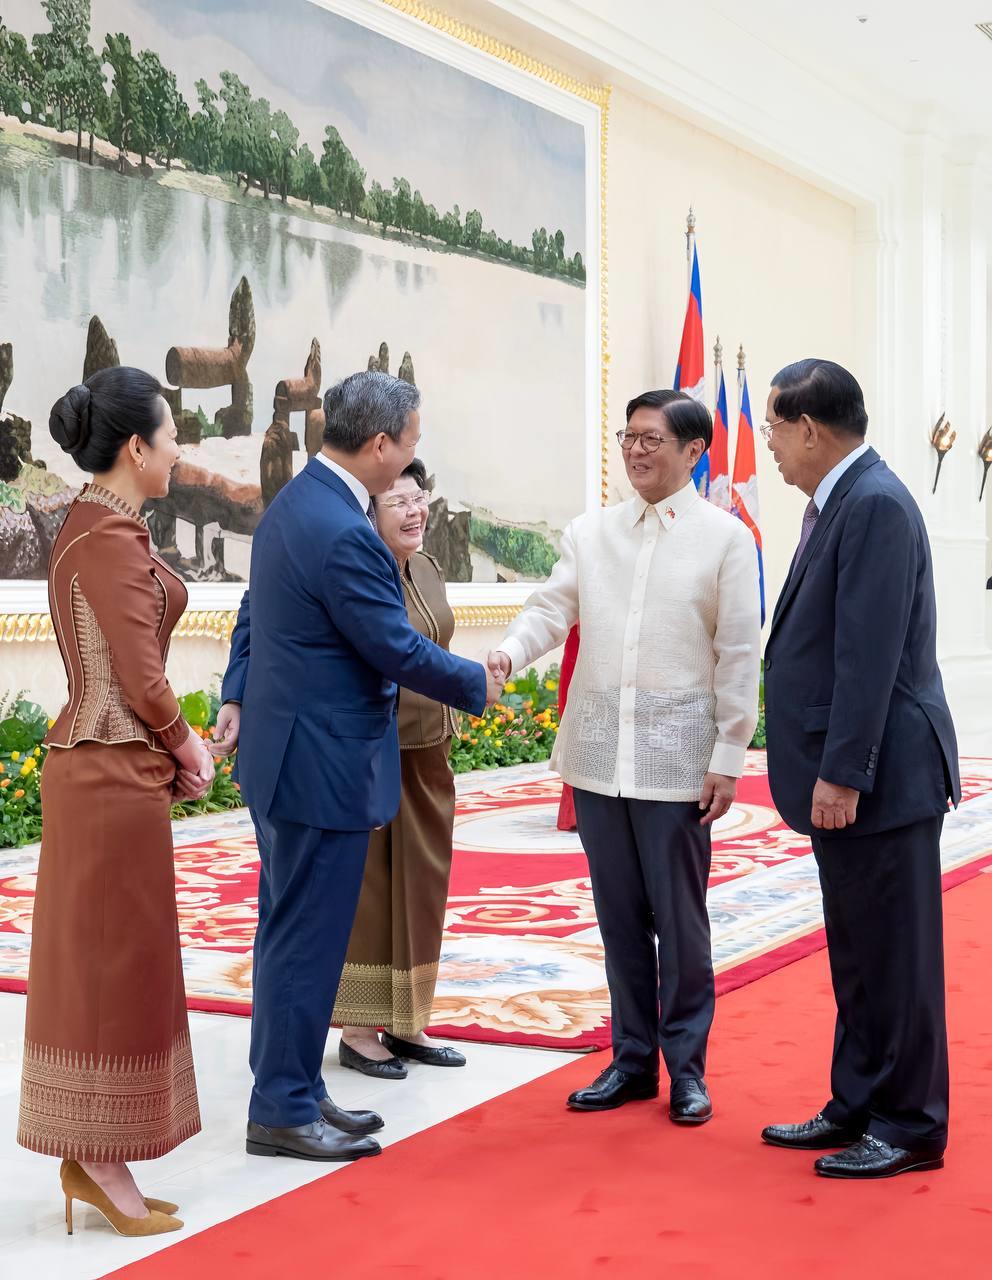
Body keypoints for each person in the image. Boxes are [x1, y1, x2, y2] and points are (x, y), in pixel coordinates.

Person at [211, 372, 501, 1162]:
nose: (412, 456)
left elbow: (261, 617)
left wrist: (236, 693)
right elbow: (392, 645)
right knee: (306, 941)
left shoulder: (298, 504)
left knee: (288, 934)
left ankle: (295, 1088)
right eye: (410, 442)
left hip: (287, 758)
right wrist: (478, 681)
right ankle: (282, 1106)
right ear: (379, 447)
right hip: (320, 766)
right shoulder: (342, 530)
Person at [489, 389, 761, 1124]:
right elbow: (551, 610)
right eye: (627, 438)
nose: (635, 451)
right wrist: (508, 656)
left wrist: (730, 751)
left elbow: (738, 652)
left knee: (681, 920)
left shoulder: (726, 540)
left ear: (693, 451)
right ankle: (632, 1061)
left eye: (650, 439)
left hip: (679, 757)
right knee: (617, 919)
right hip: (599, 752)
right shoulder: (592, 532)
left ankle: (688, 1069)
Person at [17, 368, 216, 1237]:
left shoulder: (103, 527)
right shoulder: (105, 537)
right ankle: (95, 1158)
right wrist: (188, 741)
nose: (179, 451)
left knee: (120, 962)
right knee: (108, 964)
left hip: (109, 771)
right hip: (108, 772)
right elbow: (139, 675)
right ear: (137, 448)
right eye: (172, 436)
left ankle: (102, 1153)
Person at [758, 359, 959, 1179]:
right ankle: (857, 1104)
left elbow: (868, 657)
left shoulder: (872, 504)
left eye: (774, 428)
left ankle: (909, 1124)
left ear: (810, 429)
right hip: (856, 772)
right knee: (858, 951)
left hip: (880, 777)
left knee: (896, 958)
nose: (769, 446)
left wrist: (843, 773)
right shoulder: (842, 499)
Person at [332, 458, 468, 1078]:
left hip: (429, 753)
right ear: (370, 514)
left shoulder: (429, 569)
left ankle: (408, 1022)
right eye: (398, 501)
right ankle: (359, 1030)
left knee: (422, 888)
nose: (414, 511)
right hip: (378, 753)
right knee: (371, 891)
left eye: (419, 498)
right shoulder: (364, 574)